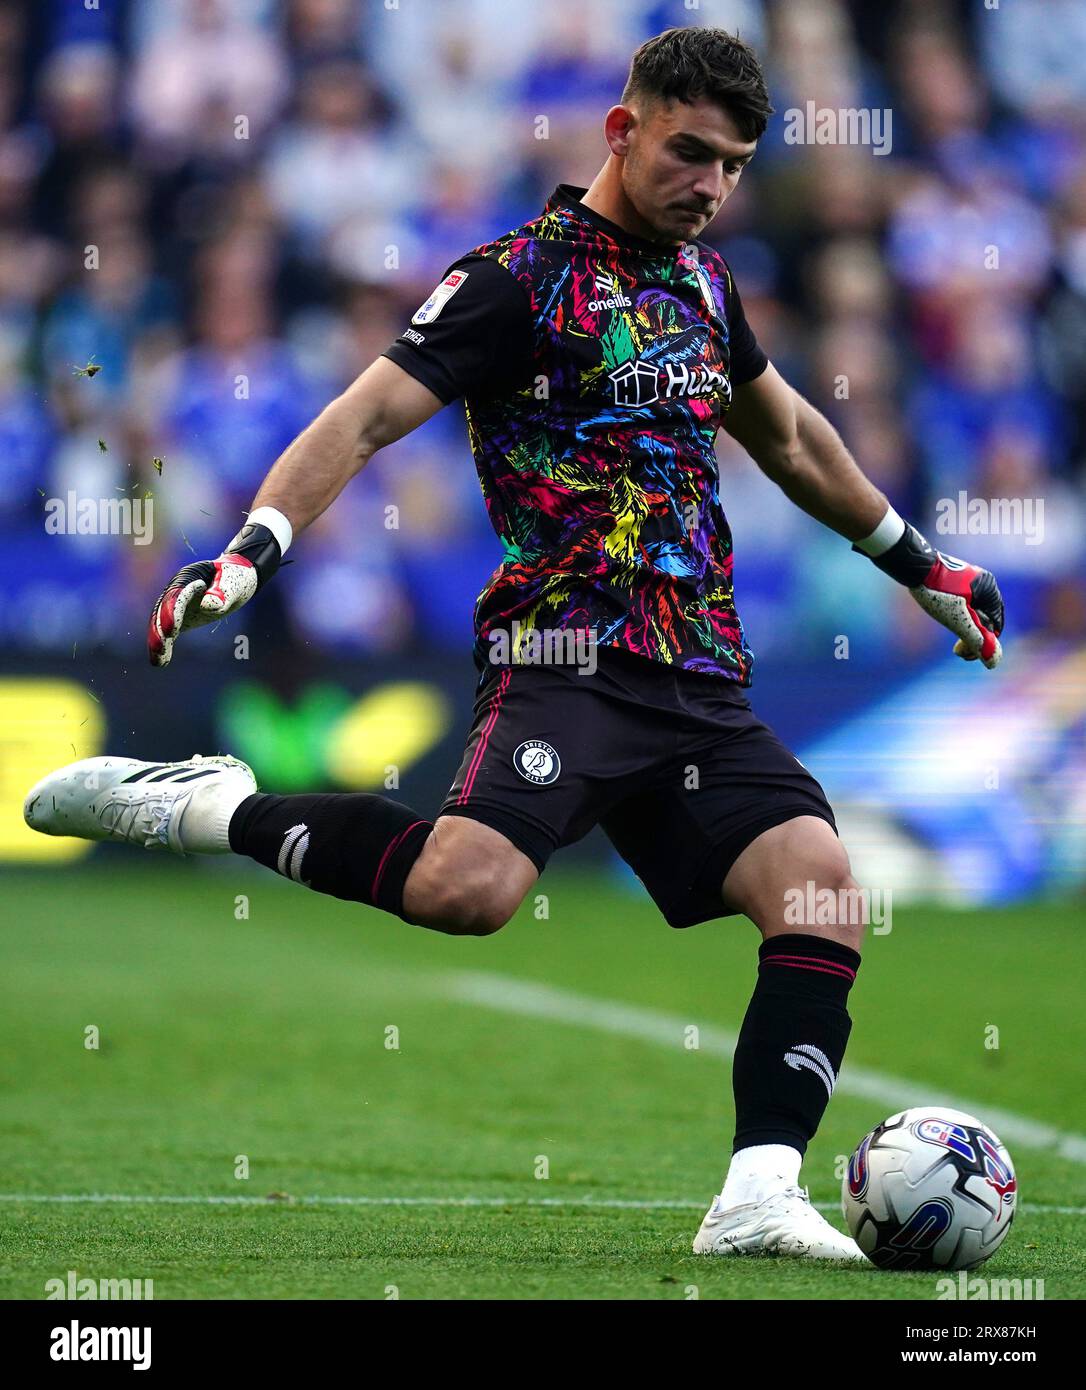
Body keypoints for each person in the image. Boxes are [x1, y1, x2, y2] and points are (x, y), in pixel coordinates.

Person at [24, 27, 1004, 1261]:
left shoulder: (706, 284)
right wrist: (251, 548)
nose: (710, 186)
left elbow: (795, 437)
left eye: (736, 166)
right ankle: (217, 808)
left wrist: (923, 564)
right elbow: (367, 413)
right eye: (690, 153)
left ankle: (757, 1193)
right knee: (467, 892)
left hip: (697, 669)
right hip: (564, 656)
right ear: (622, 128)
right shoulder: (514, 280)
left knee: (820, 894)